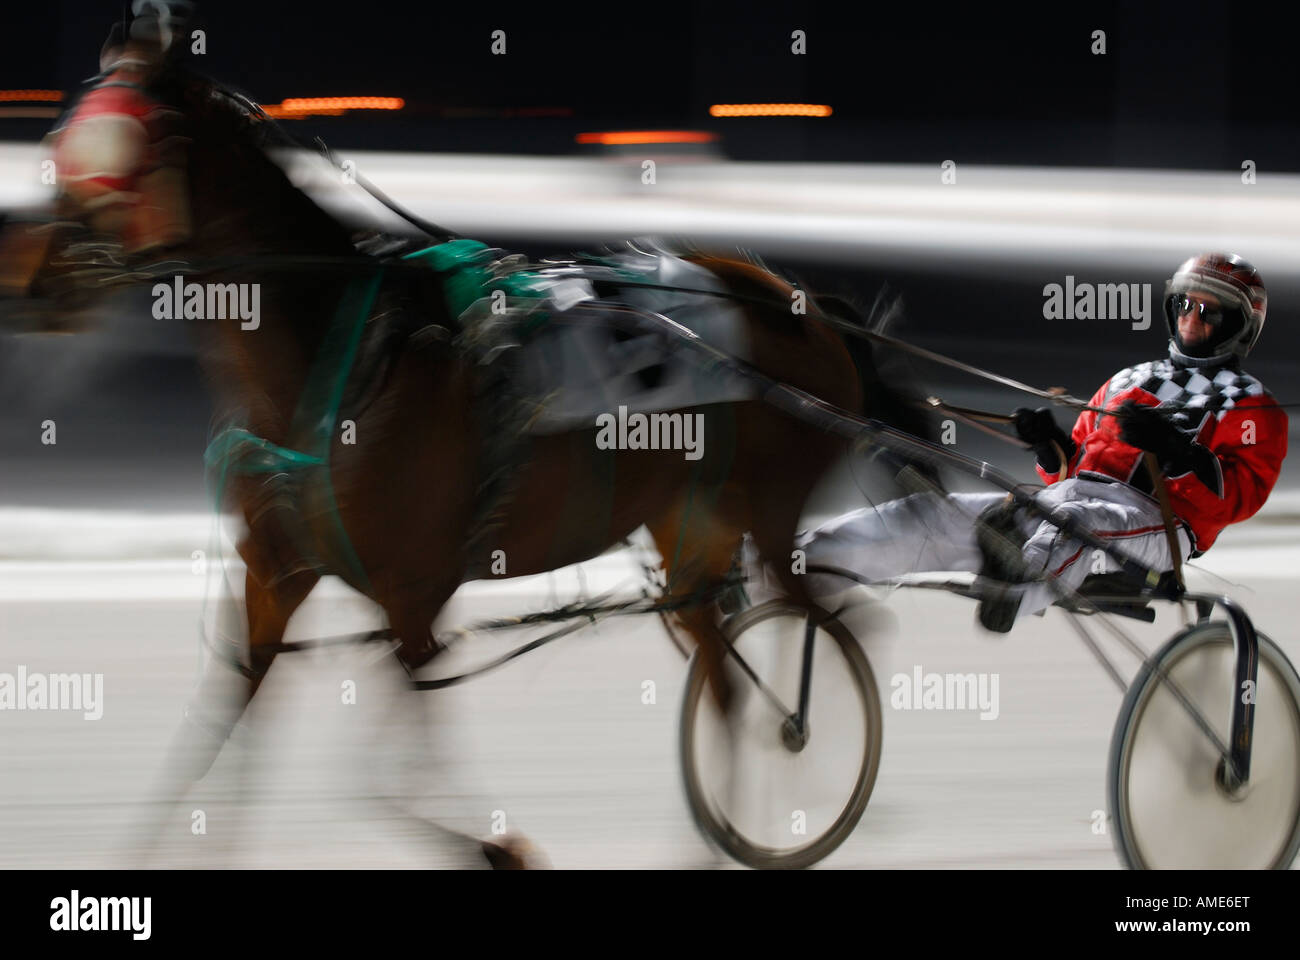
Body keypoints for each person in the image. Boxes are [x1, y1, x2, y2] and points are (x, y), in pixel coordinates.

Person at [758, 253, 1288, 630]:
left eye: (1210, 311)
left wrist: (1178, 451)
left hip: (1160, 526)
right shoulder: (1130, 378)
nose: (1193, 319)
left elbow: (1238, 496)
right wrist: (1047, 442)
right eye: (1187, 305)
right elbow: (1072, 470)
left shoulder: (1251, 404)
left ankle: (1013, 589)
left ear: (1239, 325)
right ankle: (791, 565)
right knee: (935, 511)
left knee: (1073, 526)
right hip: (1070, 500)